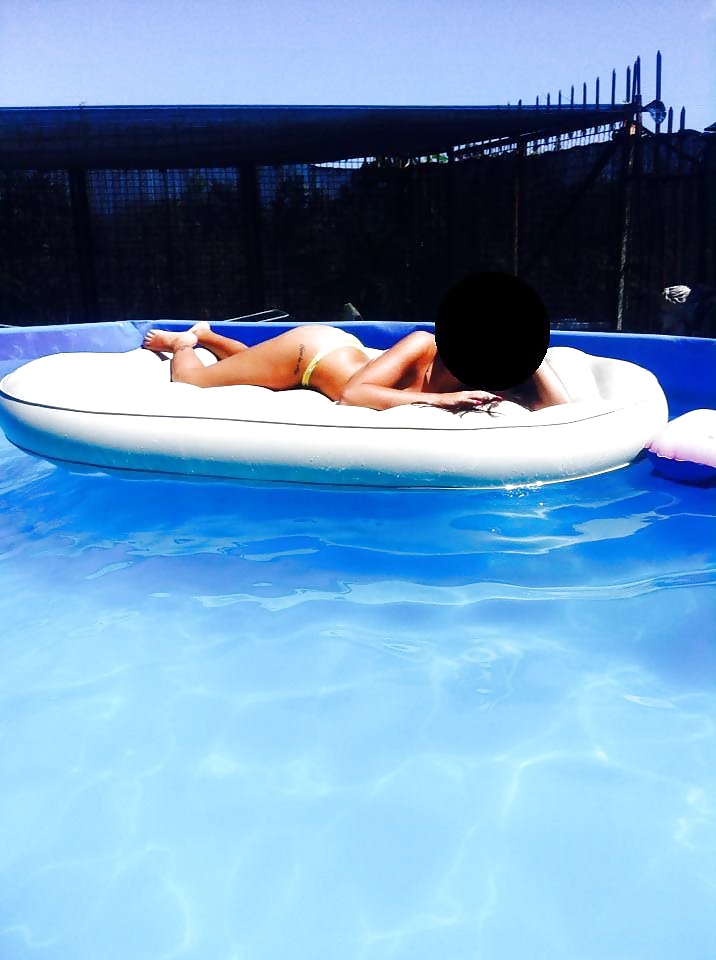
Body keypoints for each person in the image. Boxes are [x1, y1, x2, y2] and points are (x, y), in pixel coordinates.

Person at [143, 322, 571, 412]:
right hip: (309, 356)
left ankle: (213, 336)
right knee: (192, 379)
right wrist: (440, 400)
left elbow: (562, 413)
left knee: (249, 362)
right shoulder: (425, 344)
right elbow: (352, 395)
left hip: (344, 358)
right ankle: (186, 341)